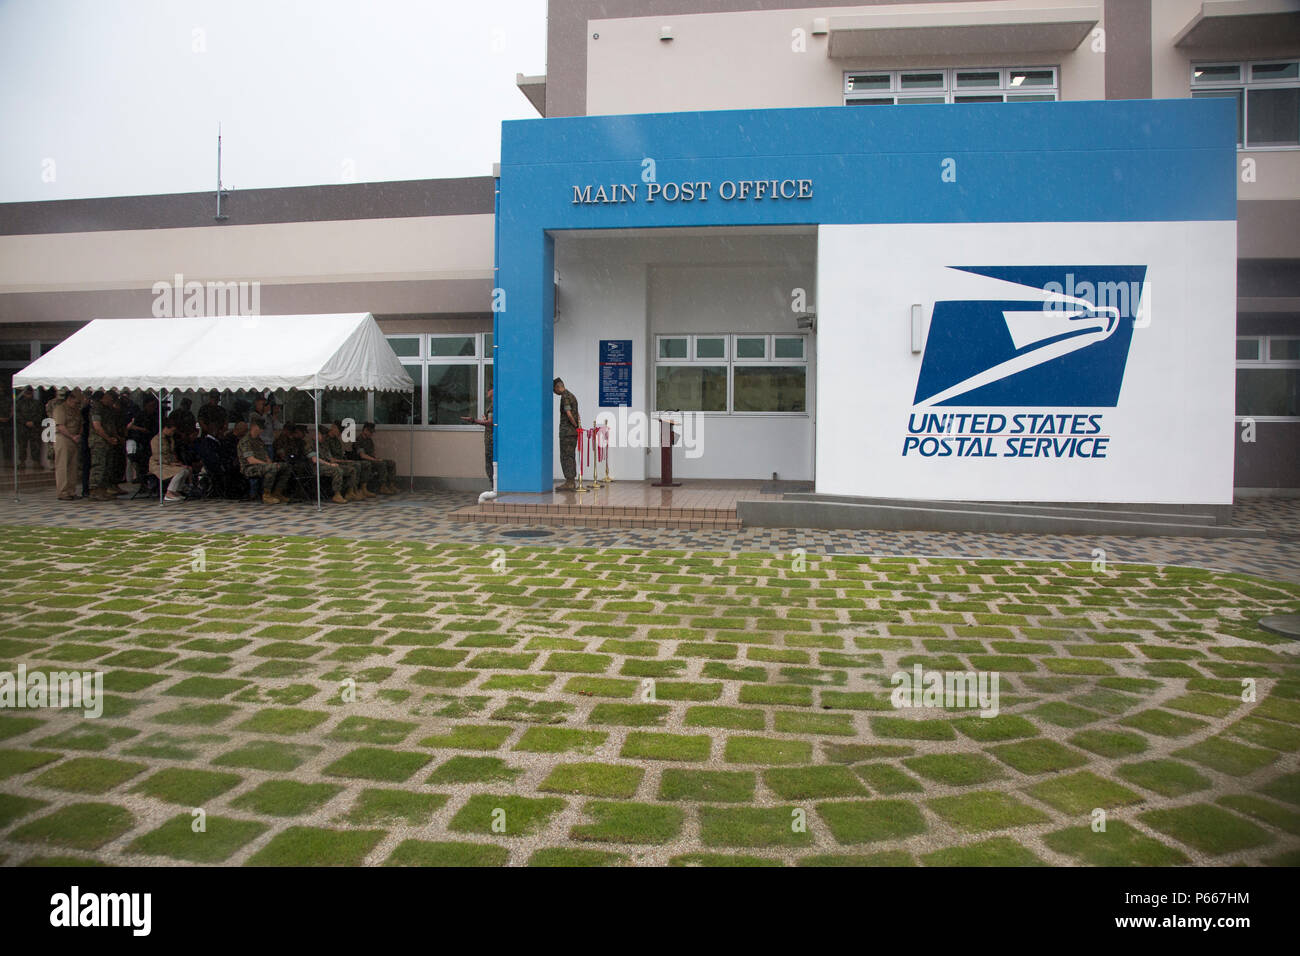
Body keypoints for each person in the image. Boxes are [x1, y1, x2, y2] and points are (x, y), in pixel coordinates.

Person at [237, 416, 291, 504]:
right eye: (260, 428)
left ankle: (277, 493)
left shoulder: (259, 440)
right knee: (272, 468)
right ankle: (266, 495)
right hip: (249, 467)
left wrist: (271, 463)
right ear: (254, 427)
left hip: (262, 465)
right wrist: (268, 465)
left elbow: (266, 456)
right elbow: (251, 460)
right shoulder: (245, 441)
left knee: (286, 467)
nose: (262, 430)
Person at [87, 391, 123, 499]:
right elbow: (97, 427)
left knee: (107, 467)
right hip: (99, 442)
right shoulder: (96, 408)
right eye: (111, 400)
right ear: (105, 397)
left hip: (108, 442)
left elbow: (111, 426)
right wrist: (108, 438)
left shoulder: (108, 410)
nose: (112, 402)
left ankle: (103, 490)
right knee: (99, 466)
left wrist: (116, 437)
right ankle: (94, 490)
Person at [150, 414, 194, 502]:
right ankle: (170, 491)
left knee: (186, 470)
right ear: (166, 428)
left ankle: (177, 490)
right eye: (172, 430)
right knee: (180, 471)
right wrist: (171, 463)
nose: (173, 433)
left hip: (169, 463)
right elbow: (158, 455)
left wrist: (176, 462)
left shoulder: (170, 439)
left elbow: (172, 453)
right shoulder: (156, 440)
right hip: (158, 464)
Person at [51, 388, 83, 501]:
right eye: (75, 402)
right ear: (69, 398)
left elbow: (80, 424)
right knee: (62, 466)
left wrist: (78, 434)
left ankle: (71, 490)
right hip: (63, 438)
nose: (77, 404)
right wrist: (72, 436)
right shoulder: (60, 409)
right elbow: (60, 426)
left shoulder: (76, 410)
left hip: (74, 439)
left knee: (73, 467)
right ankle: (63, 492)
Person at [307, 424, 352, 504]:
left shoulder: (323, 445)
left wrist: (342, 462)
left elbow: (330, 458)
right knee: (337, 470)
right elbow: (315, 460)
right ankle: (336, 494)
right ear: (317, 434)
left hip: (326, 465)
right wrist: (330, 464)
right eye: (322, 436)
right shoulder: (310, 444)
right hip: (316, 467)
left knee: (350, 469)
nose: (324, 438)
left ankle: (349, 492)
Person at [325, 422, 370, 499]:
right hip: (333, 463)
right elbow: (330, 458)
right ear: (333, 428)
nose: (340, 433)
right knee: (354, 467)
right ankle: (350, 491)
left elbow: (341, 454)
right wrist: (345, 462)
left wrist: (346, 460)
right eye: (340, 431)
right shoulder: (326, 440)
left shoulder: (336, 440)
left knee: (362, 464)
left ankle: (355, 490)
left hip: (340, 461)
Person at [355, 422, 398, 494]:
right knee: (381, 464)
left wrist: (376, 458)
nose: (372, 434)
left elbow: (372, 453)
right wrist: (375, 460)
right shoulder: (359, 440)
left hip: (372, 459)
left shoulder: (369, 440)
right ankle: (382, 486)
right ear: (365, 430)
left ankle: (391, 485)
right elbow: (362, 455)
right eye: (370, 432)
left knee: (391, 463)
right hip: (364, 461)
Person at [553, 377, 580, 491]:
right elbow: (577, 414)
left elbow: (569, 414)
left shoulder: (565, 397)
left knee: (566, 456)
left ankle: (569, 482)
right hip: (572, 433)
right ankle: (571, 481)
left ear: (558, 387)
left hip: (567, 433)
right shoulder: (572, 395)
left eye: (554, 389)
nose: (554, 392)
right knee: (570, 456)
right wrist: (577, 426)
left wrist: (574, 425)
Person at [461, 388, 493, 484]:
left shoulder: (494, 406)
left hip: (491, 440)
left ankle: (494, 486)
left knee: (490, 463)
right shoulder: (495, 405)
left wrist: (473, 420)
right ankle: (494, 485)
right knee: (490, 463)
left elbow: (490, 422)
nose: (488, 394)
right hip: (491, 439)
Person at [15, 385, 43, 471]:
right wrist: (25, 422)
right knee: (22, 445)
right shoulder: (19, 403)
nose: (28, 395)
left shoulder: (37, 403)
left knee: (35, 445)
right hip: (23, 427)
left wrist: (33, 422)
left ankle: (36, 462)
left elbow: (40, 414)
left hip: (34, 427)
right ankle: (22, 462)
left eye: (30, 393)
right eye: (27, 393)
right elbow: (17, 414)